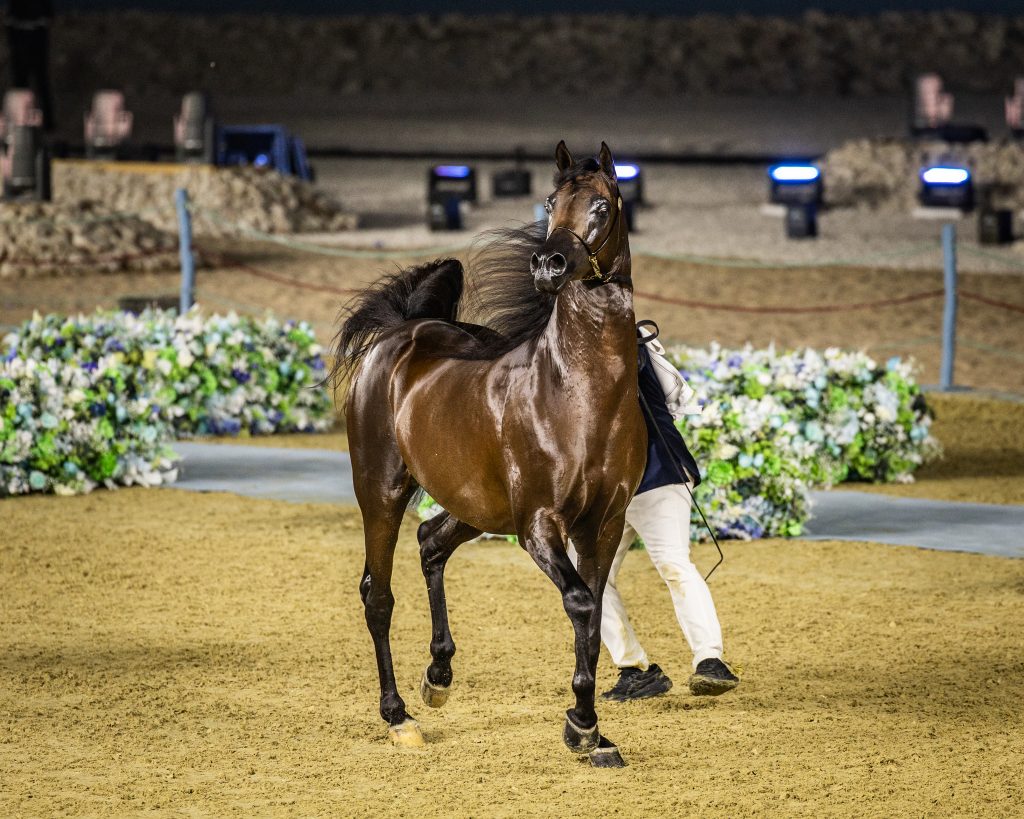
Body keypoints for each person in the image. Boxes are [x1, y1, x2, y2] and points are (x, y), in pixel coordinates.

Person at [572, 323, 739, 701]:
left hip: (657, 475)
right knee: (586, 579)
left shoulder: (627, 345)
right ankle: (634, 669)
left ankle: (710, 659)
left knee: (674, 565)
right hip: (608, 495)